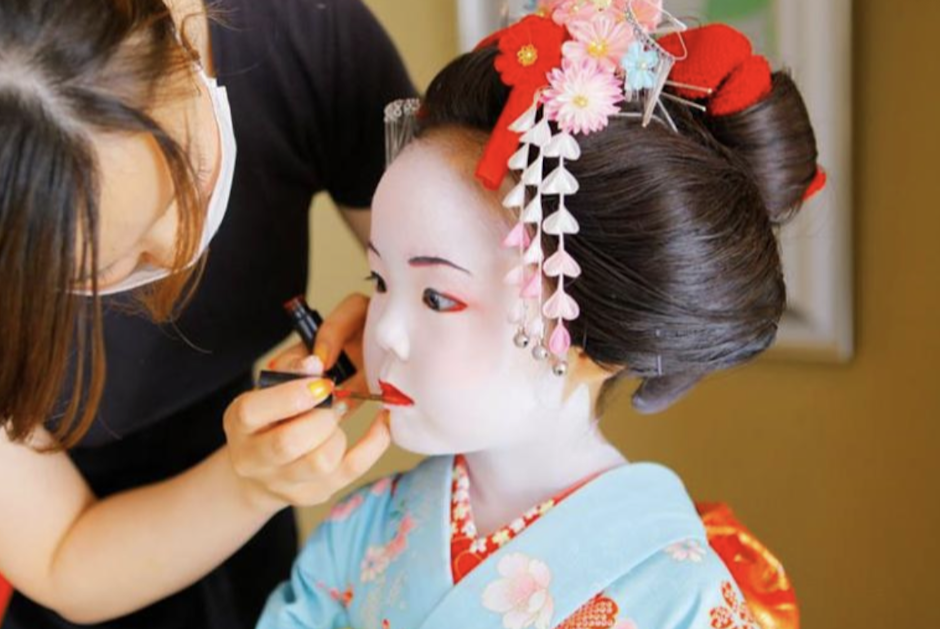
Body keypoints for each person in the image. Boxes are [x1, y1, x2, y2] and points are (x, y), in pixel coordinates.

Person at [0, 0, 411, 627]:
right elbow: (62, 555)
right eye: (109, 263)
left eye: (184, 169)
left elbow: (458, 252)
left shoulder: (289, 23)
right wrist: (252, 485)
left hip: (215, 482)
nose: (179, 248)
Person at [257, 8, 820, 629]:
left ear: (588, 341)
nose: (382, 329)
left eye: (438, 297)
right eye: (381, 280)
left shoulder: (681, 594)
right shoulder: (358, 536)